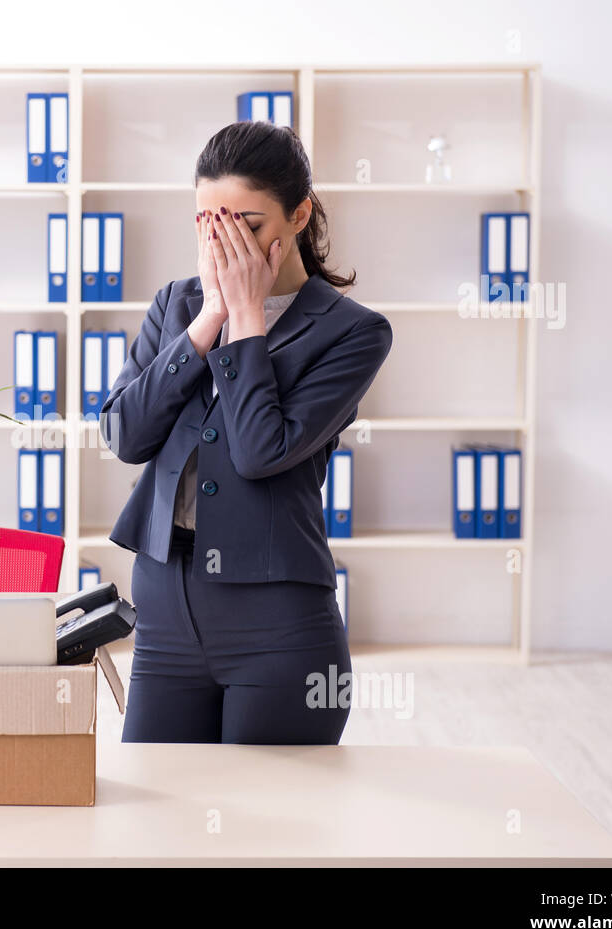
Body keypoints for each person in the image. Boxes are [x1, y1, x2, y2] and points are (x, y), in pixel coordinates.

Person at [100, 120, 393, 744]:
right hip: (164, 615)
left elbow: (263, 452)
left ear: (298, 215)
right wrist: (210, 317)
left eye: (248, 224)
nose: (224, 243)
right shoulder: (174, 306)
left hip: (279, 629)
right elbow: (125, 435)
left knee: (267, 830)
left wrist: (249, 318)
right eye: (209, 222)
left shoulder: (352, 332)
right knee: (157, 828)